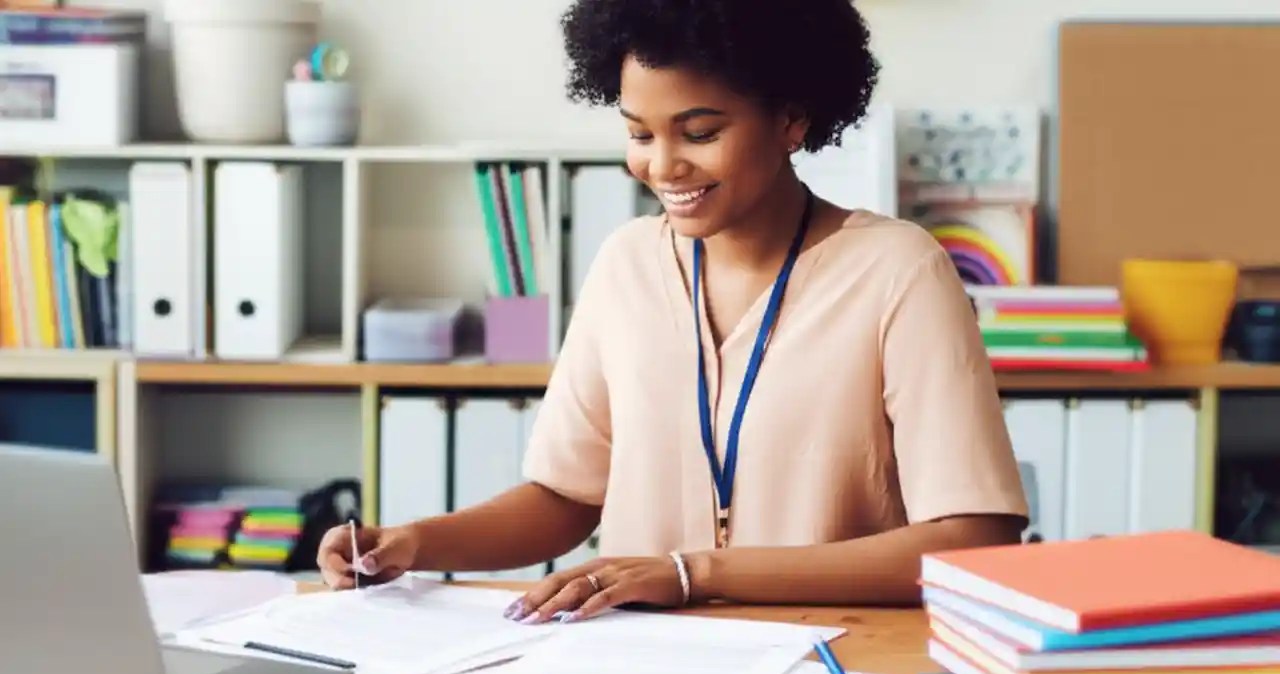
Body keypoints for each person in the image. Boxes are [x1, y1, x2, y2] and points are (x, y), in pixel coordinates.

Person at [317, 0, 1028, 623]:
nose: (663, 166)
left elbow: (972, 540)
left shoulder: (898, 270)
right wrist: (414, 543)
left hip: (830, 658)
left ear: (791, 119)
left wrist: (693, 573)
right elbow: (564, 498)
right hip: (643, 669)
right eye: (640, 133)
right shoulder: (625, 264)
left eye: (699, 131)